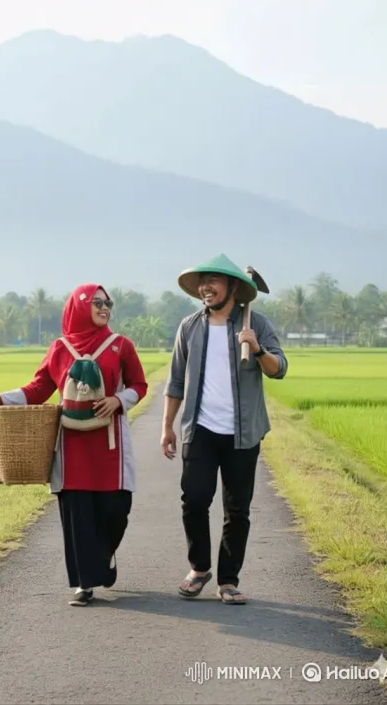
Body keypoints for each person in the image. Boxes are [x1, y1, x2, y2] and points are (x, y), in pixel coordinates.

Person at [0, 284, 148, 606]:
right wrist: (1, 399)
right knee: (77, 516)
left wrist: (118, 399)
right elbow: (38, 388)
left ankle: (105, 555)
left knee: (116, 510)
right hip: (72, 448)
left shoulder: (121, 346)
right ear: (80, 306)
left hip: (111, 446)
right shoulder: (59, 349)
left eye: (107, 302)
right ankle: (84, 583)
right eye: (97, 302)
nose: (104, 307)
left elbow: (139, 385)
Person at [160, 254, 288, 604]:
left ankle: (228, 581)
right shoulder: (189, 327)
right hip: (199, 430)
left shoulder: (255, 324)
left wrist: (257, 348)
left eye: (214, 280)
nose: (206, 287)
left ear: (233, 287)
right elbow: (175, 382)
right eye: (203, 281)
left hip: (243, 433)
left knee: (237, 509)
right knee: (194, 500)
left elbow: (279, 369)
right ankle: (200, 568)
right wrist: (167, 427)